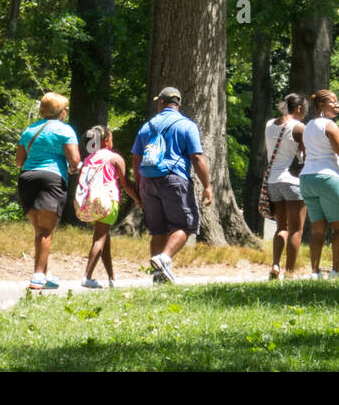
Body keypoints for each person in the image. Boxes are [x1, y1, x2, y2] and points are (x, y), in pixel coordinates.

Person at [132, 87, 212, 284]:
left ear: (161, 102)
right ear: (178, 104)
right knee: (184, 224)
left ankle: (159, 276)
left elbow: (136, 157)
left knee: (157, 230)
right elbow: (197, 156)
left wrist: (138, 184)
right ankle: (165, 258)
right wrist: (207, 185)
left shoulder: (146, 127)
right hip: (174, 180)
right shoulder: (187, 126)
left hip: (147, 181)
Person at [16, 92, 80, 290]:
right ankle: (37, 277)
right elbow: (75, 160)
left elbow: (19, 161)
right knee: (46, 231)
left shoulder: (29, 130)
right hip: (51, 179)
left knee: (40, 230)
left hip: (27, 179)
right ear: (60, 112)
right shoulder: (65, 130)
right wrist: (72, 169)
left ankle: (44, 274)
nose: (66, 112)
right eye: (64, 109)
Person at [299, 90, 339, 278]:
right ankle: (336, 271)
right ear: (321, 106)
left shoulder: (307, 126)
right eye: (333, 102)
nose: (337, 105)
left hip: (307, 179)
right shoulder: (330, 126)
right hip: (328, 179)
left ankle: (315, 272)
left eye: (337, 102)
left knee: (318, 230)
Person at [78, 126, 139, 288]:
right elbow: (126, 185)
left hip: (91, 202)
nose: (112, 141)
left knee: (104, 237)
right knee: (99, 238)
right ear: (105, 141)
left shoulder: (89, 158)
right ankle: (87, 277)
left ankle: (111, 278)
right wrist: (138, 200)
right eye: (111, 138)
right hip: (107, 200)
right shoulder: (115, 158)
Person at [264, 93, 306, 280]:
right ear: (298, 108)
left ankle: (275, 264)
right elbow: (307, 155)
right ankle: (290, 272)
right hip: (292, 181)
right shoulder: (299, 128)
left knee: (281, 227)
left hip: (273, 181)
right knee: (296, 229)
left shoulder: (269, 125)